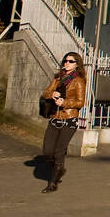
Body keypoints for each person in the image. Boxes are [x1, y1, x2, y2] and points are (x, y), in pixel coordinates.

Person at [40, 51, 86, 193]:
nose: (67, 63)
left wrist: (64, 102)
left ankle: (52, 183)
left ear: (77, 64)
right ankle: (59, 169)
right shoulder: (57, 78)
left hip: (69, 119)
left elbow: (80, 102)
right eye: (65, 60)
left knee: (59, 151)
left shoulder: (78, 81)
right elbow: (45, 93)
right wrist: (51, 94)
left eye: (71, 61)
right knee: (48, 152)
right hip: (55, 118)